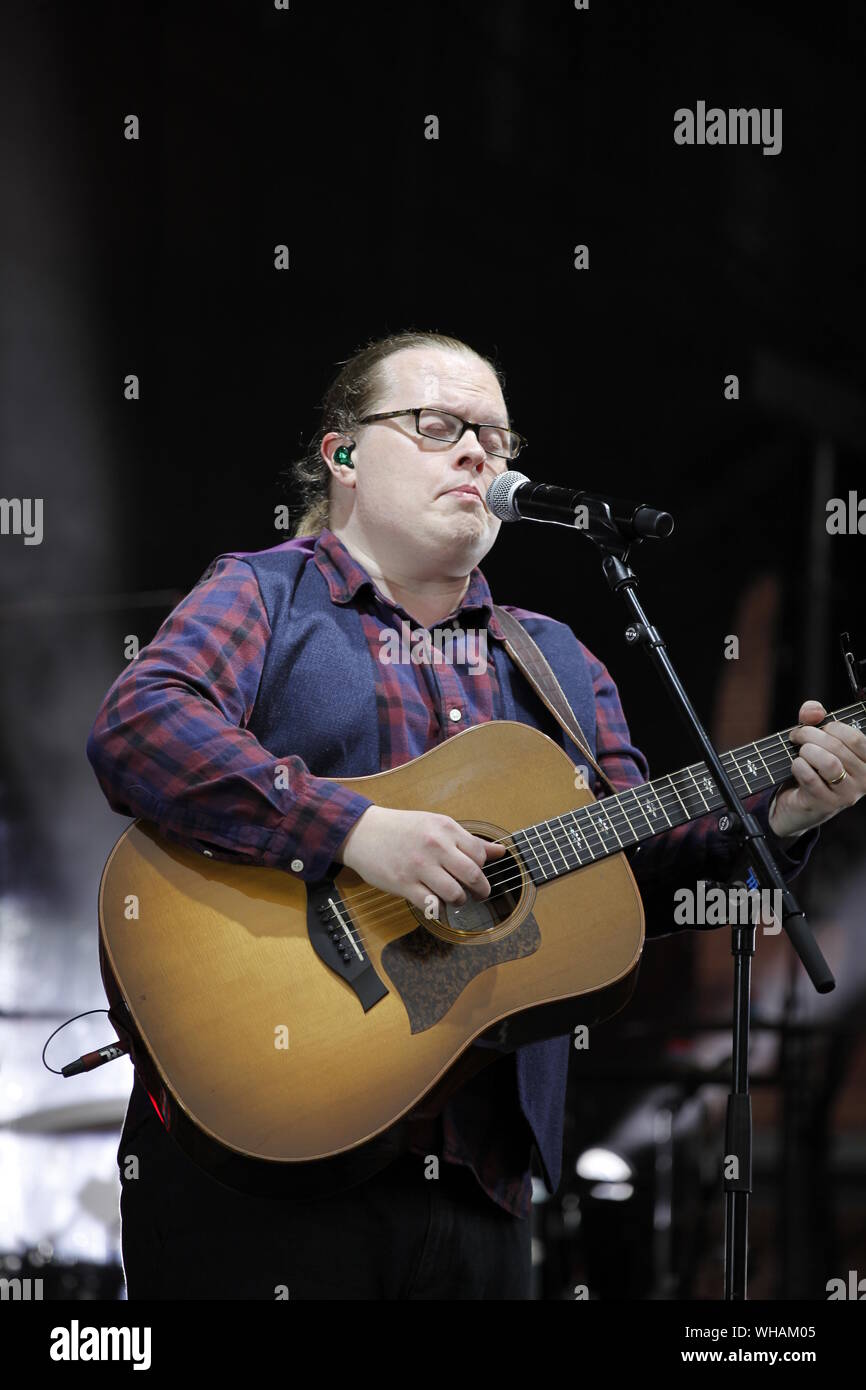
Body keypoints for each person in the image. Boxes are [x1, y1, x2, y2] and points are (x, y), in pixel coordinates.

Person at [86, 329, 864, 1300]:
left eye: (495, 441)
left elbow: (627, 880)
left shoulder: (558, 661)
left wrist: (784, 816)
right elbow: (140, 726)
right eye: (439, 425)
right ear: (343, 455)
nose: (477, 455)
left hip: (481, 1183)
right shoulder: (264, 591)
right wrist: (353, 833)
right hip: (262, 1172)